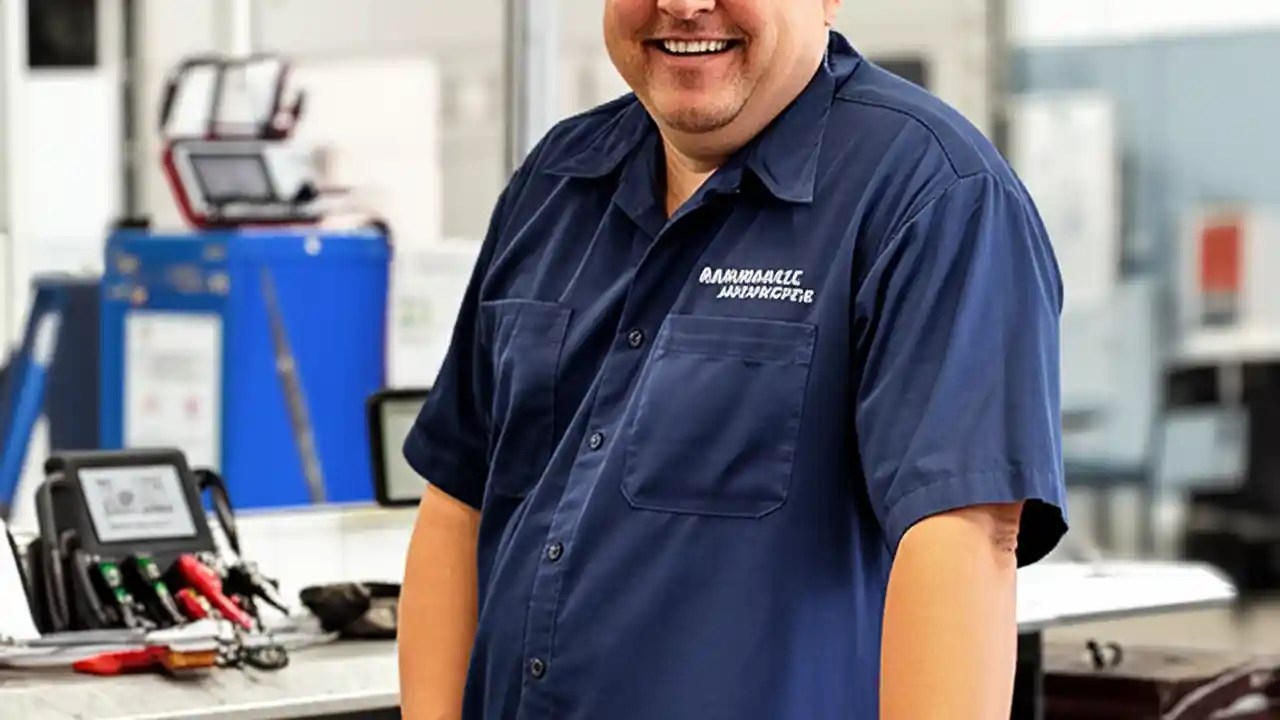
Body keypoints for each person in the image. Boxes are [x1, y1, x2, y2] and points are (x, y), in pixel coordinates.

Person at [398, 0, 1068, 718]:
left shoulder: (935, 198)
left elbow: (965, 542)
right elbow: (458, 506)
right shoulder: (555, 184)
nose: (684, 5)